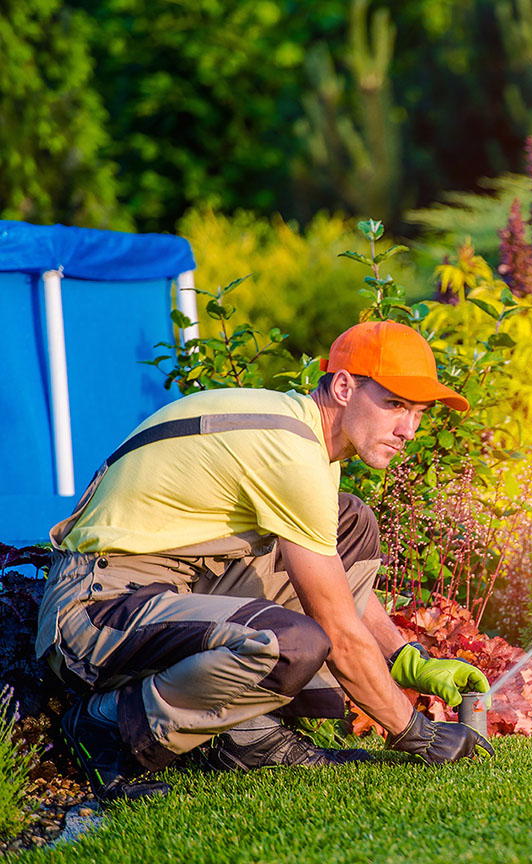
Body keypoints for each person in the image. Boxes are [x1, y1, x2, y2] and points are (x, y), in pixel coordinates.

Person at [36, 320, 493, 802]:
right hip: (94, 613)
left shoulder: (305, 440)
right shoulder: (291, 452)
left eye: (418, 412)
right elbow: (336, 630)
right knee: (292, 646)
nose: (408, 430)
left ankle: (247, 737)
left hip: (168, 593)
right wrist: (415, 733)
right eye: (395, 405)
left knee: (351, 523)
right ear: (342, 386)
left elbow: (335, 589)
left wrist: (404, 659)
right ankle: (107, 725)